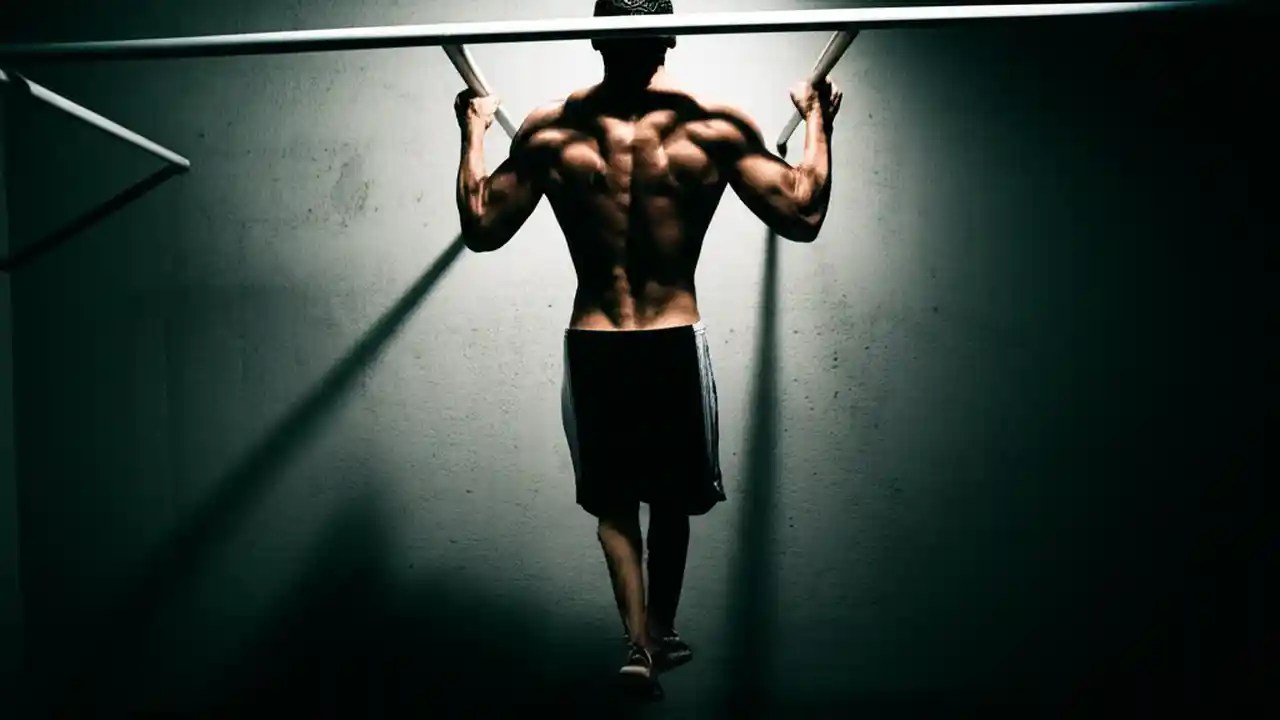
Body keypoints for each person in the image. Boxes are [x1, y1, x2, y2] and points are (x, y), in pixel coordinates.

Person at [453, 0, 841, 690]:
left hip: (595, 337)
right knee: (672, 498)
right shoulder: (713, 128)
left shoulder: (551, 130)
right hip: (670, 336)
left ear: (596, 38)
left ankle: (636, 645)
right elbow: (803, 211)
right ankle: (660, 628)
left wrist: (473, 132)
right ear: (670, 37)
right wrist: (816, 120)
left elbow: (482, 225)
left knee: (613, 503)